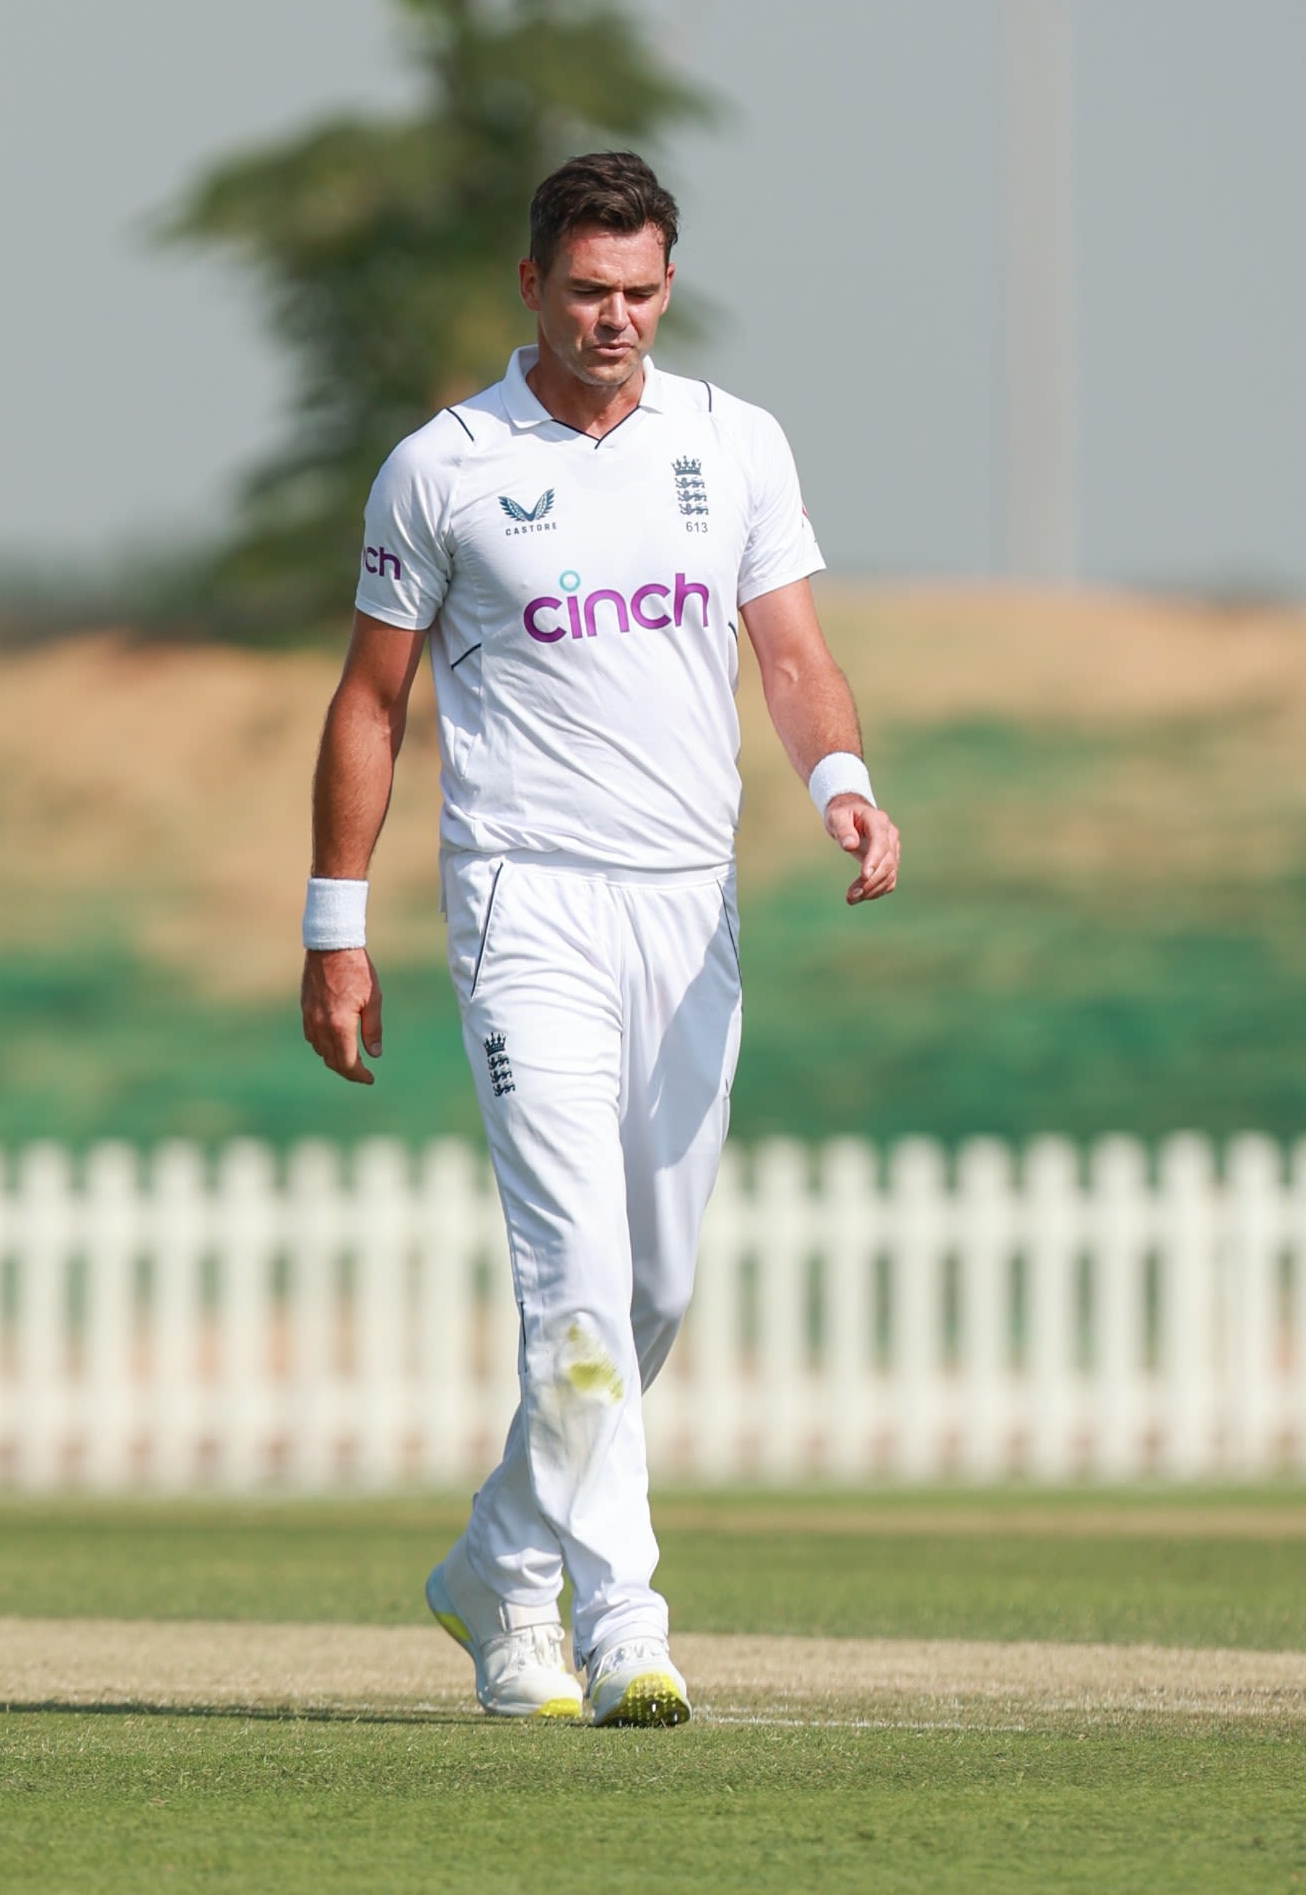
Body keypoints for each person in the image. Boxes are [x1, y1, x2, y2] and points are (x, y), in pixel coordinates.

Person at [300, 151, 900, 1727]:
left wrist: (841, 782)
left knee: (652, 1292)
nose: (614, 319)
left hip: (688, 906)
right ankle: (612, 1624)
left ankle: (497, 1563)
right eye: (586, 291)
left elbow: (791, 656)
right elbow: (370, 701)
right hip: (527, 905)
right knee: (573, 1278)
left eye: (639, 291)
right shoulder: (443, 467)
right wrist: (335, 927)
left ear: (668, 285)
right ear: (532, 287)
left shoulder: (734, 443)